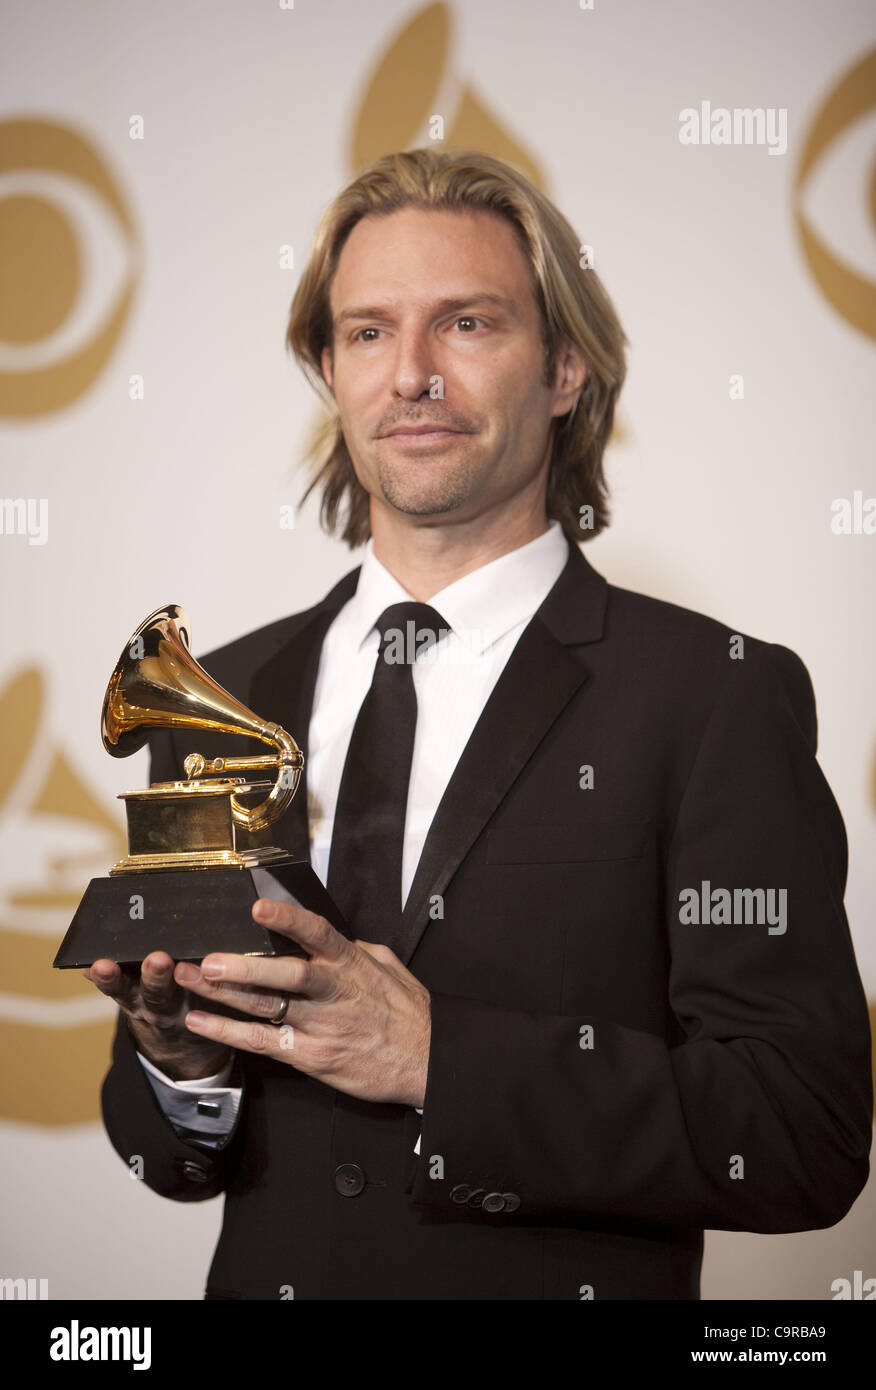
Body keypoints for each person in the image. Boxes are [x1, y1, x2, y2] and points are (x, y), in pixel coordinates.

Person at [87, 148, 872, 1300]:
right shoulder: (224, 693)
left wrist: (437, 1059)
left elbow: (801, 1131)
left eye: (466, 323)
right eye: (366, 332)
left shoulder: (714, 695)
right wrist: (180, 1058)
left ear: (564, 368)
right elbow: (171, 1155)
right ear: (330, 370)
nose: (410, 374)